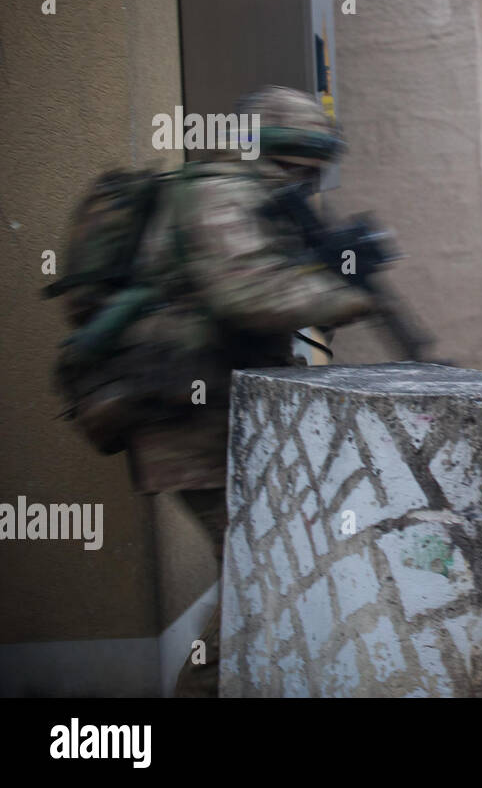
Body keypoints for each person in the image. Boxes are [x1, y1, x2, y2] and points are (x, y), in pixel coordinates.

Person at [50, 86, 377, 696]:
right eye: (296, 160)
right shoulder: (218, 193)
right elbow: (246, 296)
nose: (305, 177)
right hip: (186, 417)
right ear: (268, 150)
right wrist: (347, 292)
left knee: (266, 567)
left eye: (313, 164)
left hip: (213, 412)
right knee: (265, 573)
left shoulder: (252, 197)